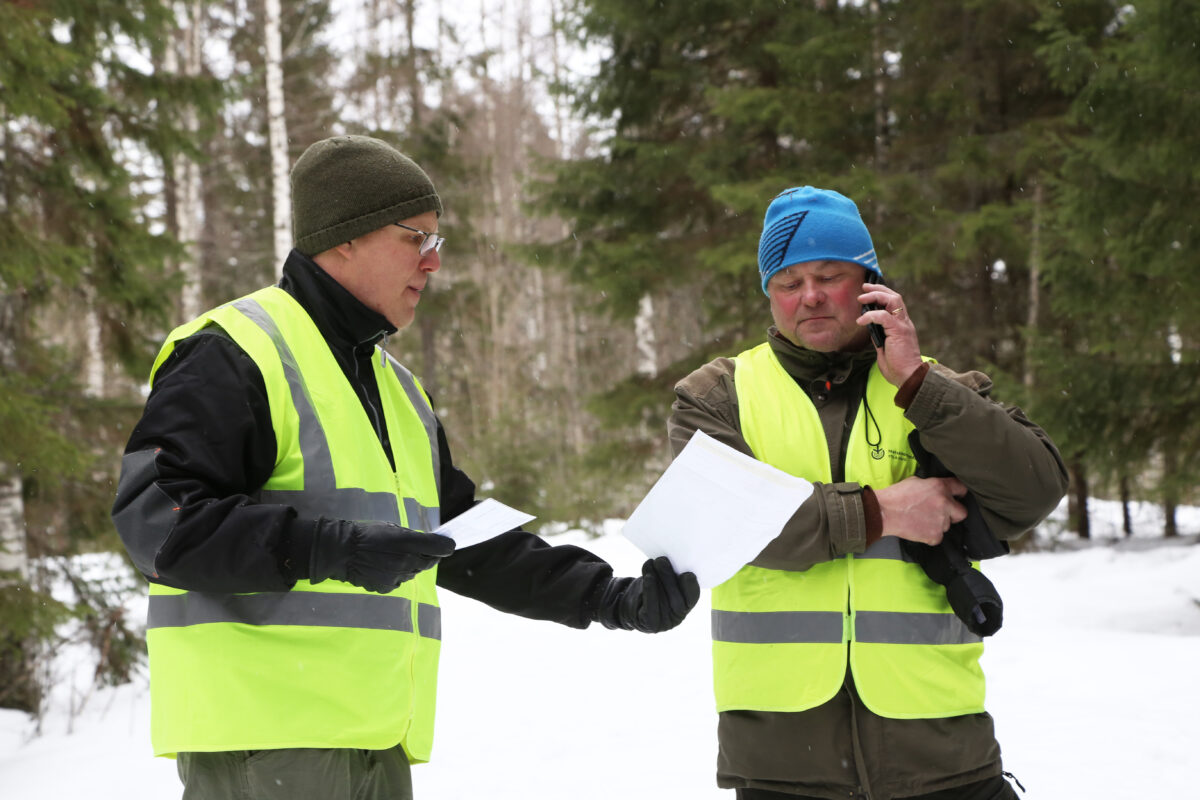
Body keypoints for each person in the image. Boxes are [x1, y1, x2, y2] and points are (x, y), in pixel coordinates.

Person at [111, 134, 700, 800]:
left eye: (437, 243)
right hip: (268, 742)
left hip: (373, 741)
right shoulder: (237, 350)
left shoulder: (398, 391)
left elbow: (462, 541)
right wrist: (339, 549)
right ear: (345, 239)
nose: (432, 263)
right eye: (415, 239)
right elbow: (160, 521)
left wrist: (608, 597)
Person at [668, 186, 1068, 800]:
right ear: (769, 296)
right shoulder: (718, 396)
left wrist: (916, 382)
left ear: (870, 284)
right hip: (782, 766)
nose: (810, 296)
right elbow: (726, 523)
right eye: (788, 282)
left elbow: (1034, 491)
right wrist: (880, 512)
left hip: (942, 753)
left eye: (830, 275)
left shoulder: (936, 388)